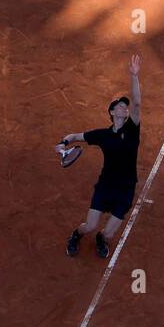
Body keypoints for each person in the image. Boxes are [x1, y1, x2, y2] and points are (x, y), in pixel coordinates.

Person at [61, 54, 142, 259]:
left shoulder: (132, 129)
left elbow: (137, 103)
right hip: (105, 186)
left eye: (125, 106)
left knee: (109, 232)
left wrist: (134, 76)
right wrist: (62, 144)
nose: (125, 107)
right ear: (112, 113)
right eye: (120, 106)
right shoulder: (102, 135)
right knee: (89, 226)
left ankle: (101, 239)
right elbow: (75, 136)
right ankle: (76, 235)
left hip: (125, 188)